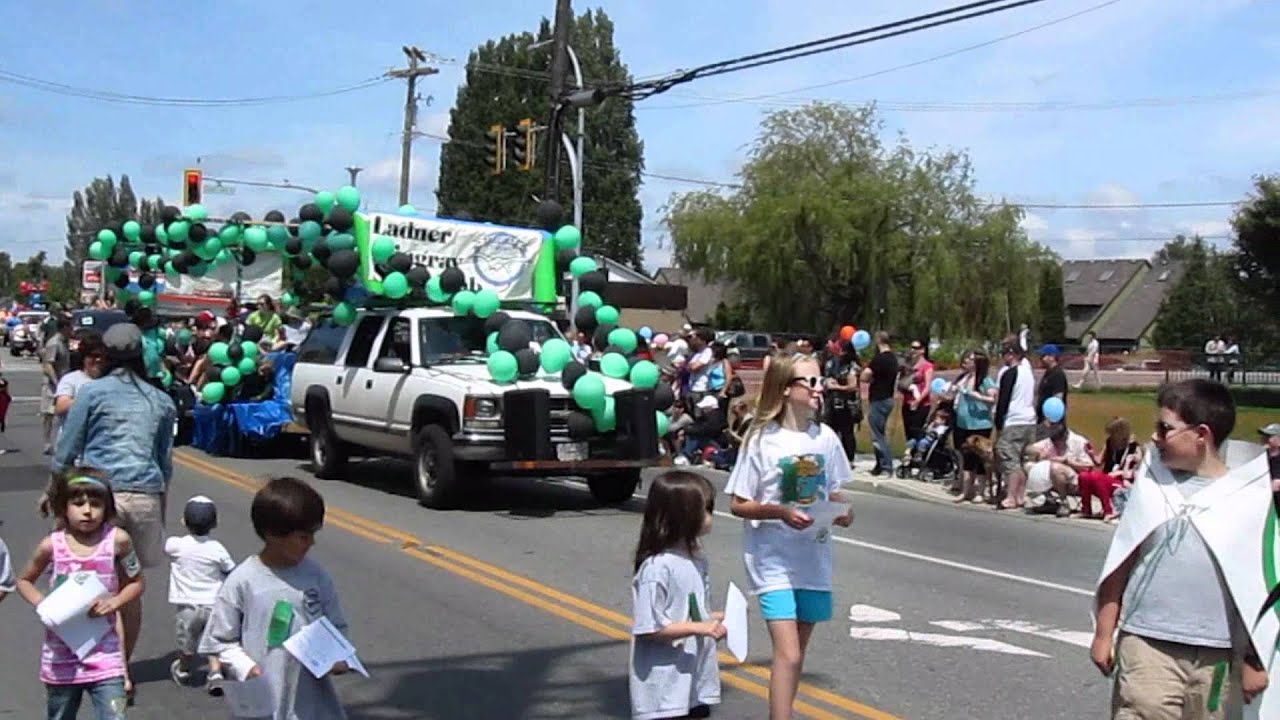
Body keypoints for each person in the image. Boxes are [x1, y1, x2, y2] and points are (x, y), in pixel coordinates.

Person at [1092, 380, 1271, 718]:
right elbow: (1122, 559)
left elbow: (1262, 586)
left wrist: (1255, 659)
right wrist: (1104, 632)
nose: (1155, 436)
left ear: (1201, 434)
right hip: (1148, 643)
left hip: (1218, 655)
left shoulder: (1250, 497)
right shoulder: (1152, 483)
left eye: (1165, 429)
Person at [725, 353, 855, 720]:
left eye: (821, 381)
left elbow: (835, 493)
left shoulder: (825, 439)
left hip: (813, 559)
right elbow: (739, 504)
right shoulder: (761, 440)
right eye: (810, 382)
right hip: (773, 561)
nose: (819, 389)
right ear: (785, 389)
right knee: (789, 653)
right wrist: (780, 511)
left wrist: (844, 512)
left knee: (797, 655)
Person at [53, 323, 177, 702]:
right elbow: (164, 463)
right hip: (144, 497)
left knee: (85, 581)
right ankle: (121, 669)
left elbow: (66, 450)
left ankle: (87, 665)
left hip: (98, 495)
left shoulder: (91, 393)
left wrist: (56, 496)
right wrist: (160, 506)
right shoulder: (161, 400)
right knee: (129, 588)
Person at [200, 477, 352, 719]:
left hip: (311, 705)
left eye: (313, 534)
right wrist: (247, 668)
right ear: (273, 535)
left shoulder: (317, 577)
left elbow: (337, 627)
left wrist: (338, 657)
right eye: (303, 536)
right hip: (264, 702)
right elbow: (220, 640)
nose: (312, 543)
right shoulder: (243, 580)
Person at [14, 469, 145, 720]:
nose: (87, 511)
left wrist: (115, 601)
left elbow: (136, 582)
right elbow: (24, 580)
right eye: (78, 503)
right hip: (61, 655)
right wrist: (46, 605)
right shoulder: (52, 545)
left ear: (107, 508)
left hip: (106, 654)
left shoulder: (118, 541)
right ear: (63, 507)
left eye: (95, 504)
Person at [630, 471, 724, 720]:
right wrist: (700, 628)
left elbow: (689, 611)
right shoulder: (657, 568)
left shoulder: (696, 560)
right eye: (705, 510)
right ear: (682, 516)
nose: (710, 517)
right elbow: (650, 627)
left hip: (694, 682)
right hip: (664, 689)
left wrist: (714, 619)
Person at [165, 496, 236, 695]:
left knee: (187, 644)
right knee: (213, 641)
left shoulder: (176, 545)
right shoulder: (217, 548)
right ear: (215, 523)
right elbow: (230, 570)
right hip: (213, 604)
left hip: (188, 607)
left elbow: (163, 545)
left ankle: (183, 669)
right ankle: (215, 673)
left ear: (183, 521)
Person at [994, 338, 1038, 510]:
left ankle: (1011, 496)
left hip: (1014, 420)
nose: (1003, 358)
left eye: (1004, 354)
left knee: (1010, 460)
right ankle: (1020, 495)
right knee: (1023, 459)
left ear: (1011, 354)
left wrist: (999, 423)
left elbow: (1003, 401)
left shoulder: (1009, 374)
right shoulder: (1028, 373)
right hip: (1029, 420)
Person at [949, 350, 997, 502]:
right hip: (963, 423)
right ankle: (965, 491)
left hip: (980, 425)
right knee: (967, 458)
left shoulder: (985, 380)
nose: (967, 361)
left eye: (971, 359)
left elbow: (993, 399)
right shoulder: (965, 378)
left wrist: (978, 396)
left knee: (980, 459)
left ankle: (980, 492)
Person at [1075, 417, 1142, 521]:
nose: (1111, 435)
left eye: (1113, 433)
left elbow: (1138, 470)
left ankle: (1108, 511)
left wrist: (1118, 472)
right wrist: (1091, 454)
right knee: (1084, 476)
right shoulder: (1109, 443)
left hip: (1121, 483)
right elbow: (1099, 462)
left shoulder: (1134, 447)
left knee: (1097, 477)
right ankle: (1086, 509)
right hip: (1105, 479)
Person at [53, 331, 107, 451]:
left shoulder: (111, 380)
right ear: (84, 358)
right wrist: (90, 398)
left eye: (102, 356)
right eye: (93, 356)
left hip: (100, 448)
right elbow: (60, 407)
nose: (98, 360)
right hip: (73, 449)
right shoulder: (71, 379)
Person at [861, 332, 899, 476]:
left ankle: (886, 467)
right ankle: (879, 465)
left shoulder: (879, 359)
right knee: (879, 433)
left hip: (879, 399)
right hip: (888, 398)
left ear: (878, 341)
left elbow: (864, 376)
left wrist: (869, 378)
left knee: (877, 436)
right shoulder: (893, 358)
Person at [823, 341, 861, 462]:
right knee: (830, 429)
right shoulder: (831, 363)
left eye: (842, 350)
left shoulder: (852, 366)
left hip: (847, 404)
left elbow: (853, 386)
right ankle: (831, 456)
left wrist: (837, 387)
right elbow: (825, 376)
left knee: (847, 432)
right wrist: (827, 382)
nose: (840, 353)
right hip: (831, 401)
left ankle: (849, 458)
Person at [40, 315, 72, 454]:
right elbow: (48, 365)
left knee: (65, 412)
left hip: (64, 382)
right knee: (49, 413)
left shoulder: (65, 342)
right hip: (53, 384)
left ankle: (63, 442)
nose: (72, 330)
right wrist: (57, 383)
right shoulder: (54, 343)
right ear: (64, 328)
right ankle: (47, 443)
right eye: (70, 327)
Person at [900, 339, 935, 447]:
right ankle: (909, 452)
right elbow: (901, 382)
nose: (912, 350)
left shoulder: (927, 366)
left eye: (916, 348)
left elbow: (927, 387)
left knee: (916, 431)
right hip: (907, 402)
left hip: (921, 404)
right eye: (911, 347)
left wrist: (917, 401)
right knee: (908, 431)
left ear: (922, 350)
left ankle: (917, 452)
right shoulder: (907, 365)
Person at [1035, 344, 1069, 428]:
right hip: (1043, 419)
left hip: (1051, 423)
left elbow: (1058, 398)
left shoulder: (1057, 374)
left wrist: (1050, 419)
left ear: (1052, 357)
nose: (1041, 358)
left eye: (1043, 356)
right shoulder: (1048, 373)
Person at [1261, 423, 1280, 489]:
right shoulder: (1261, 456)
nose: (1264, 438)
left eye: (1269, 436)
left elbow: (1276, 484)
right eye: (1264, 435)